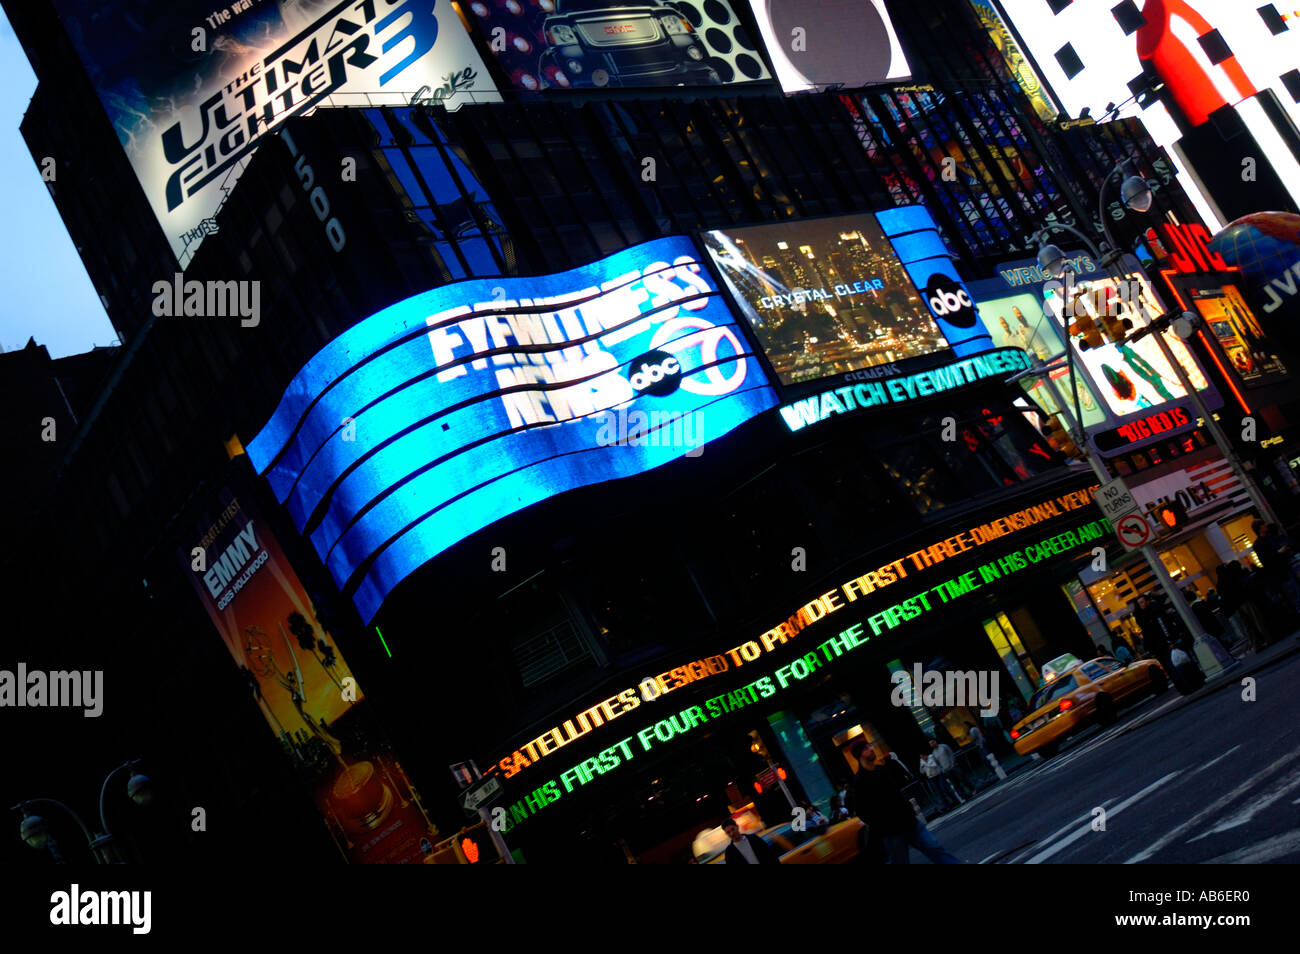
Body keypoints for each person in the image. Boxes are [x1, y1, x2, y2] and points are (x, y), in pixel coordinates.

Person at [849, 740, 962, 864]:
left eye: (870, 745)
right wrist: (883, 825)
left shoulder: (881, 770)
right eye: (866, 748)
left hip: (909, 822)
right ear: (859, 755)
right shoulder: (860, 782)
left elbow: (896, 793)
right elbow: (862, 811)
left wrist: (908, 809)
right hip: (892, 831)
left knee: (935, 849)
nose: (871, 749)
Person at [1132, 594, 1192, 694]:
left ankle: (1185, 686)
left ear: (1147, 601)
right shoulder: (1145, 616)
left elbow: (1163, 625)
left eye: (1143, 602)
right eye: (1140, 603)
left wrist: (1169, 640)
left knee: (1174, 665)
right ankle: (1183, 687)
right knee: (1172, 666)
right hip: (1159, 646)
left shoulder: (1153, 611)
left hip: (1163, 644)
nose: (1142, 604)